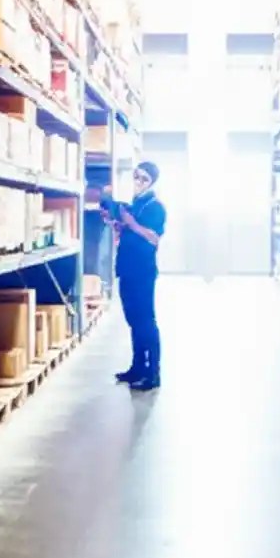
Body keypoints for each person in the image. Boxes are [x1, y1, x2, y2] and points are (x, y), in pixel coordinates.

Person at [109, 161, 166, 391]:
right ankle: (137, 368)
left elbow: (153, 238)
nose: (138, 182)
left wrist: (131, 224)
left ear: (151, 182)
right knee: (133, 320)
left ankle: (153, 373)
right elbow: (131, 232)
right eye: (136, 177)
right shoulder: (134, 204)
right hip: (127, 269)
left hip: (143, 271)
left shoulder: (156, 207)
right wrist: (119, 226)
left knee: (145, 321)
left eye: (143, 179)